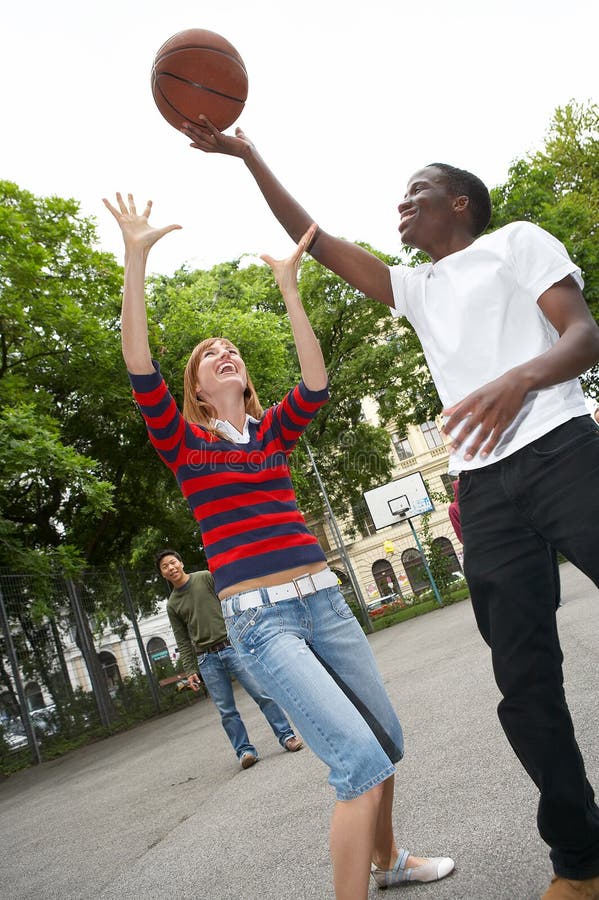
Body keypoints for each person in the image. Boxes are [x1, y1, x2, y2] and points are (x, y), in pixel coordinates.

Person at [180, 118, 599, 900]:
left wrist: (519, 379)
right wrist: (247, 155)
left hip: (561, 450)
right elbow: (312, 236)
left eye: (418, 194)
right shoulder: (415, 286)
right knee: (524, 683)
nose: (402, 206)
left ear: (461, 204)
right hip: (483, 487)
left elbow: (581, 336)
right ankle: (579, 863)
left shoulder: (514, 241)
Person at [103, 192, 454, 900]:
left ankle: (389, 863)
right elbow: (138, 363)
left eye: (230, 349)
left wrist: (290, 289)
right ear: (197, 391)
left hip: (323, 601)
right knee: (357, 762)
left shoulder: (269, 435)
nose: (224, 352)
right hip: (263, 623)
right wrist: (135, 260)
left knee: (385, 743)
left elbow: (316, 381)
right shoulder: (186, 444)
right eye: (210, 355)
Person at [157, 548, 303, 769]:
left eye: (172, 562)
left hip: (232, 646)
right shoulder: (172, 604)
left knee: (262, 693)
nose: (171, 568)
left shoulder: (204, 578)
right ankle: (244, 751)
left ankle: (286, 736)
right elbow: (183, 640)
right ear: (163, 574)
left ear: (181, 563)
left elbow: (228, 599)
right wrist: (190, 671)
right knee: (226, 710)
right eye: (165, 566)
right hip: (207, 659)